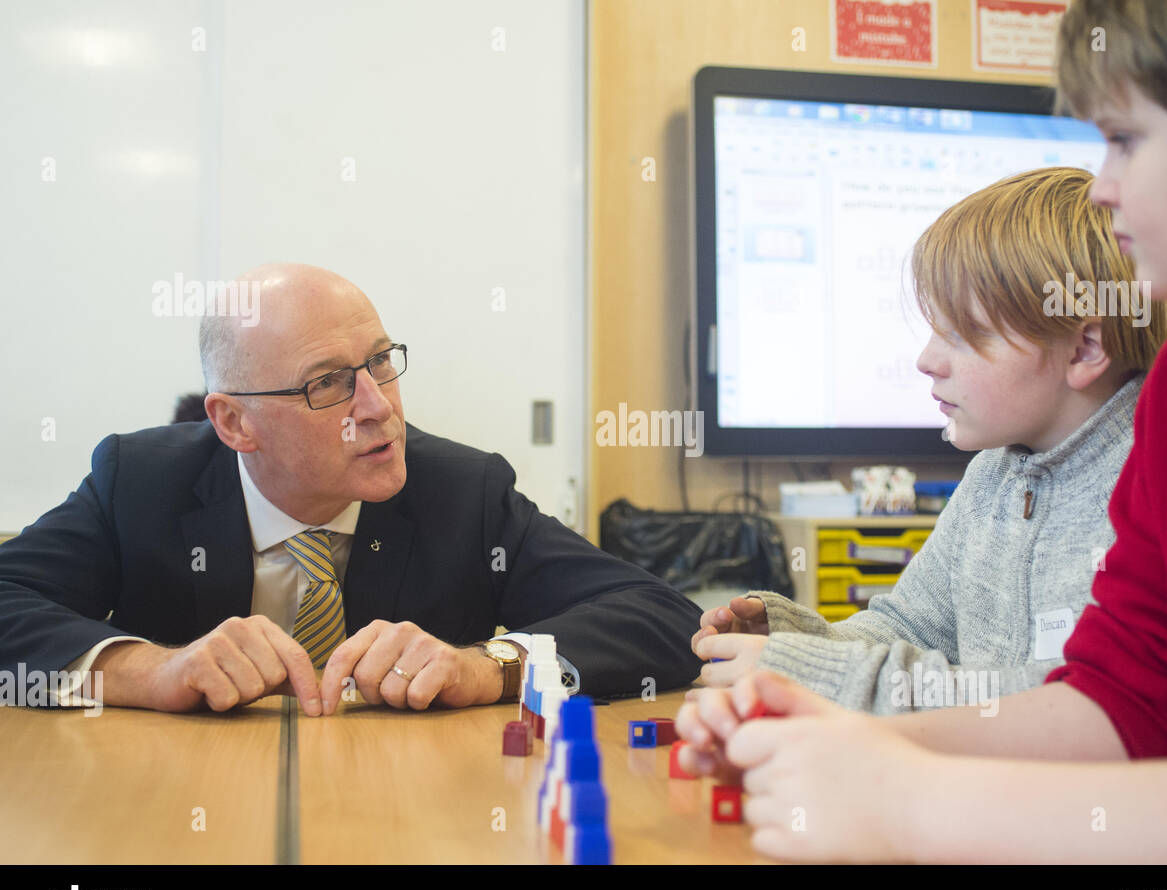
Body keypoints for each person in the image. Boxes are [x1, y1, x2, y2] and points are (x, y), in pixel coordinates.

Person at [675, 0, 1167, 864]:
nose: (1104, 181)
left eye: (1124, 139)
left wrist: (906, 789)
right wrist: (820, 726)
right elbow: (1121, 704)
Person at [0, 263, 701, 715]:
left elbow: (661, 617)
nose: (379, 406)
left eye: (380, 363)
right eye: (328, 382)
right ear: (235, 421)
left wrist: (487, 666)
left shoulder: (464, 493)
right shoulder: (141, 483)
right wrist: (149, 671)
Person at [691, 166, 1167, 714]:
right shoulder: (995, 472)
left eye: (960, 334)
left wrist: (828, 679)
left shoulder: (1163, 481)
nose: (926, 361)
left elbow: (1070, 703)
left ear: (1083, 350)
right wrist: (797, 645)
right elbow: (912, 626)